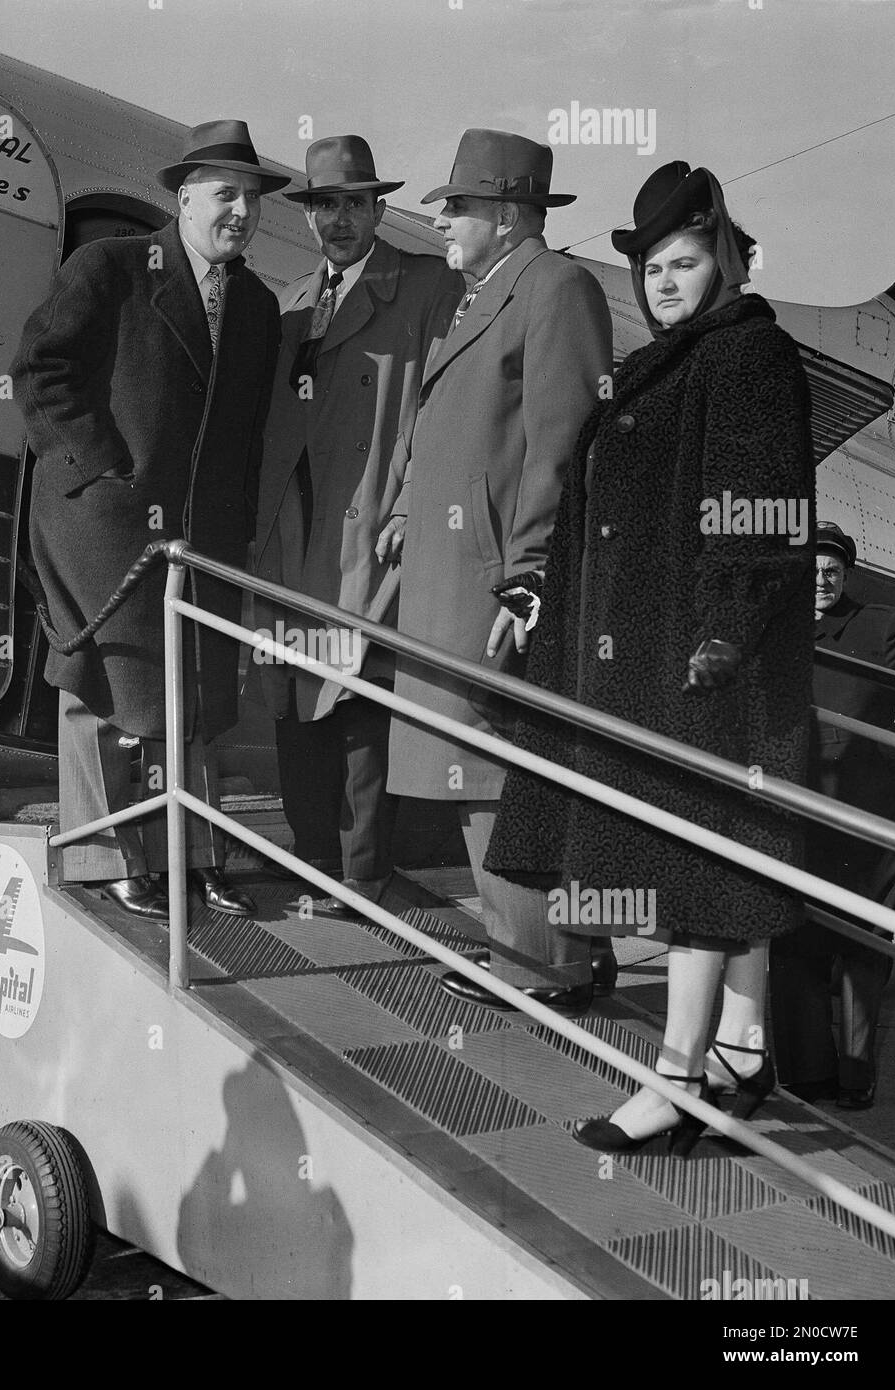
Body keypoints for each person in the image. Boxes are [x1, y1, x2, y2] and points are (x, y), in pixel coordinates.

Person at [483, 161, 815, 1153]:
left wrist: (721, 632)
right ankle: (744, 1049)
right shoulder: (679, 358)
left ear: (722, 257)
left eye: (684, 262)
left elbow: (757, 510)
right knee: (720, 865)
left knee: (694, 872)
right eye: (653, 268)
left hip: (706, 660)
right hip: (660, 656)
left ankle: (675, 1079)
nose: (666, 282)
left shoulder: (745, 355)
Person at [13, 120, 285, 921]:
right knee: (101, 685)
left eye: (252, 199)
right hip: (101, 524)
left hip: (203, 536)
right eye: (225, 194)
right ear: (184, 197)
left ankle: (191, 858)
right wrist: (102, 467)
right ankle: (106, 858)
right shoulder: (111, 267)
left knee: (192, 698)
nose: (240, 211)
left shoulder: (259, 305)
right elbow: (40, 365)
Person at [384, 129, 612, 1009]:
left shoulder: (555, 287)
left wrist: (532, 574)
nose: (443, 219)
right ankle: (537, 950)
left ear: (510, 215)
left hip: (491, 581)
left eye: (459, 206)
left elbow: (564, 444)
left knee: (488, 767)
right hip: (454, 574)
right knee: (469, 762)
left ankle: (538, 966)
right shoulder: (488, 291)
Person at [253, 135, 463, 914]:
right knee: (292, 699)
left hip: (366, 521)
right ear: (308, 217)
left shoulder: (426, 289)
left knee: (357, 699)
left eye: (353, 203)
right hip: (290, 529)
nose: (338, 220)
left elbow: (442, 412)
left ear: (378, 209)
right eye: (323, 206)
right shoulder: (292, 300)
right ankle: (312, 857)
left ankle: (358, 873)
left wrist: (411, 505)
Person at [770, 522, 895, 1109]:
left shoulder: (882, 623)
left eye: (833, 570)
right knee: (793, 937)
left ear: (846, 574)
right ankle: (806, 1074)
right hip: (795, 804)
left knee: (862, 943)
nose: (822, 580)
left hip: (866, 807)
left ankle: (855, 1076)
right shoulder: (776, 627)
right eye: (814, 570)